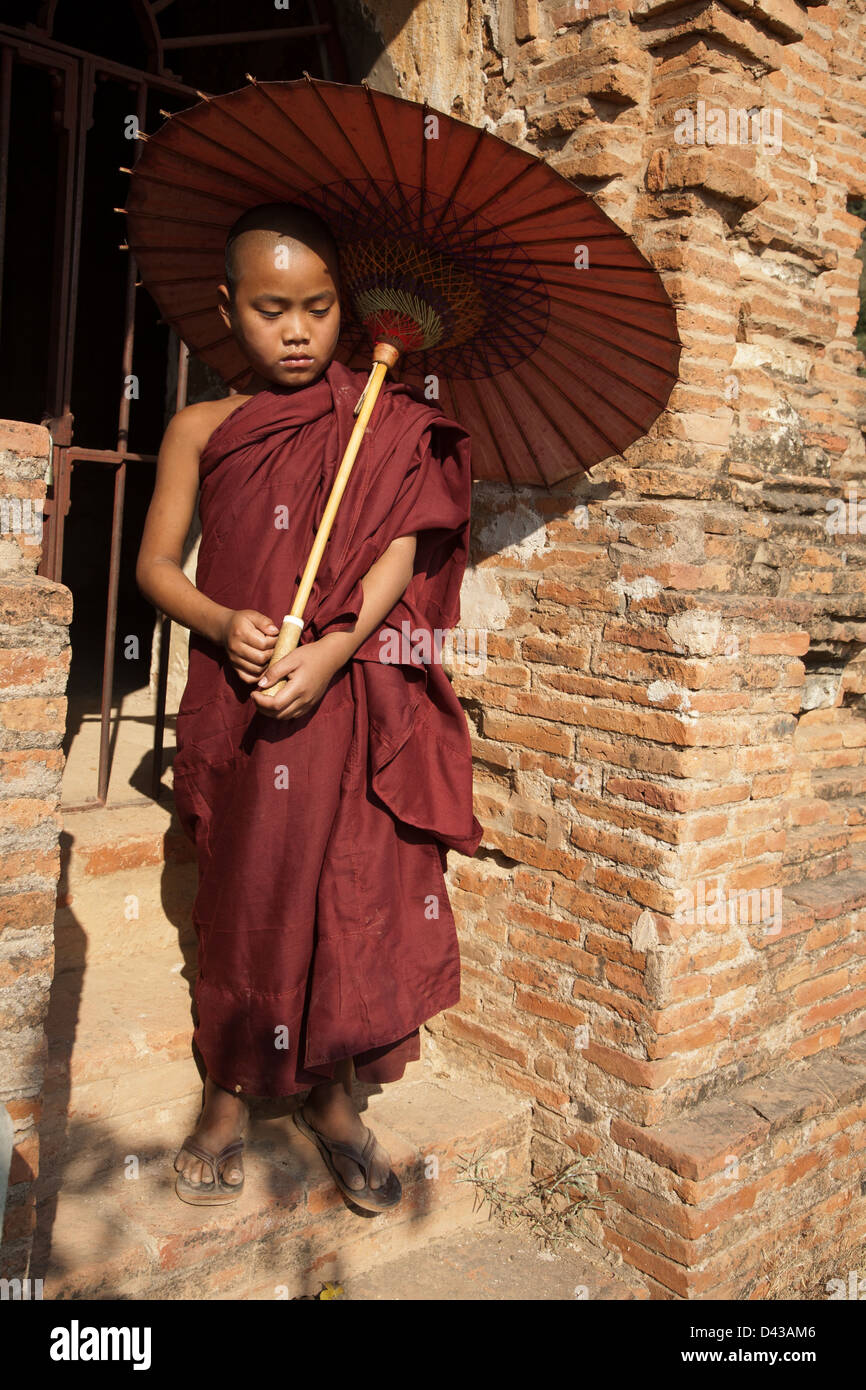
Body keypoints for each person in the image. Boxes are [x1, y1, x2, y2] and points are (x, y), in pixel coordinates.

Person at [135, 202, 481, 1211]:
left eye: (318, 309)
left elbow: (398, 551)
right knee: (247, 890)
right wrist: (220, 615)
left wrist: (332, 650)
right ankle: (228, 1092)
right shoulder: (202, 427)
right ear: (227, 311)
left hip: (347, 691)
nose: (297, 331)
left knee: (351, 892)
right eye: (271, 310)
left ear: (346, 309)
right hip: (240, 695)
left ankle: (334, 1098)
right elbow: (155, 566)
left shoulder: (383, 421)